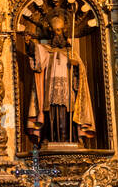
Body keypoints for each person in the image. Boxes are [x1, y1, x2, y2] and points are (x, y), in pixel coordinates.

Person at [26, 13, 95, 144]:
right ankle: (49, 139)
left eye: (59, 31)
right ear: (51, 32)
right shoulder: (46, 50)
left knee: (66, 115)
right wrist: (29, 44)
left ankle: (70, 139)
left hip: (67, 92)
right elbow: (36, 58)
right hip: (50, 91)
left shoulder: (71, 52)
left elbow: (81, 75)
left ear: (63, 32)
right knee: (50, 114)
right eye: (54, 31)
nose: (57, 34)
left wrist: (76, 67)